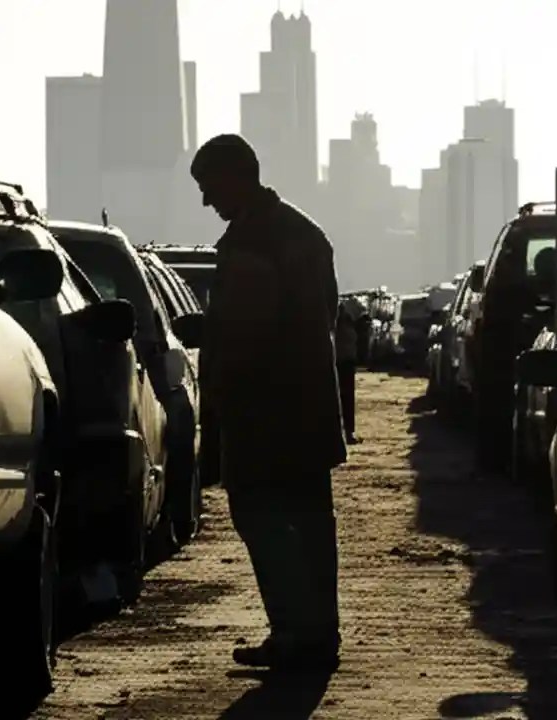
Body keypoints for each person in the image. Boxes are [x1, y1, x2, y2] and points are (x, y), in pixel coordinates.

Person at [191, 133, 346, 672]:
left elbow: (245, 335)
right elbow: (324, 319)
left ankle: (293, 634)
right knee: (309, 524)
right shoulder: (305, 234)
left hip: (264, 414)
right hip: (307, 411)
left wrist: (219, 398)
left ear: (236, 177)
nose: (207, 202)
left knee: (263, 519)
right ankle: (318, 635)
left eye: (209, 187)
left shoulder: (255, 242)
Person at [335, 302, 361, 445]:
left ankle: (347, 432)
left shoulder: (338, 328)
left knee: (344, 400)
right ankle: (348, 432)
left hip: (341, 362)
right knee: (346, 400)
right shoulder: (345, 328)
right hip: (343, 363)